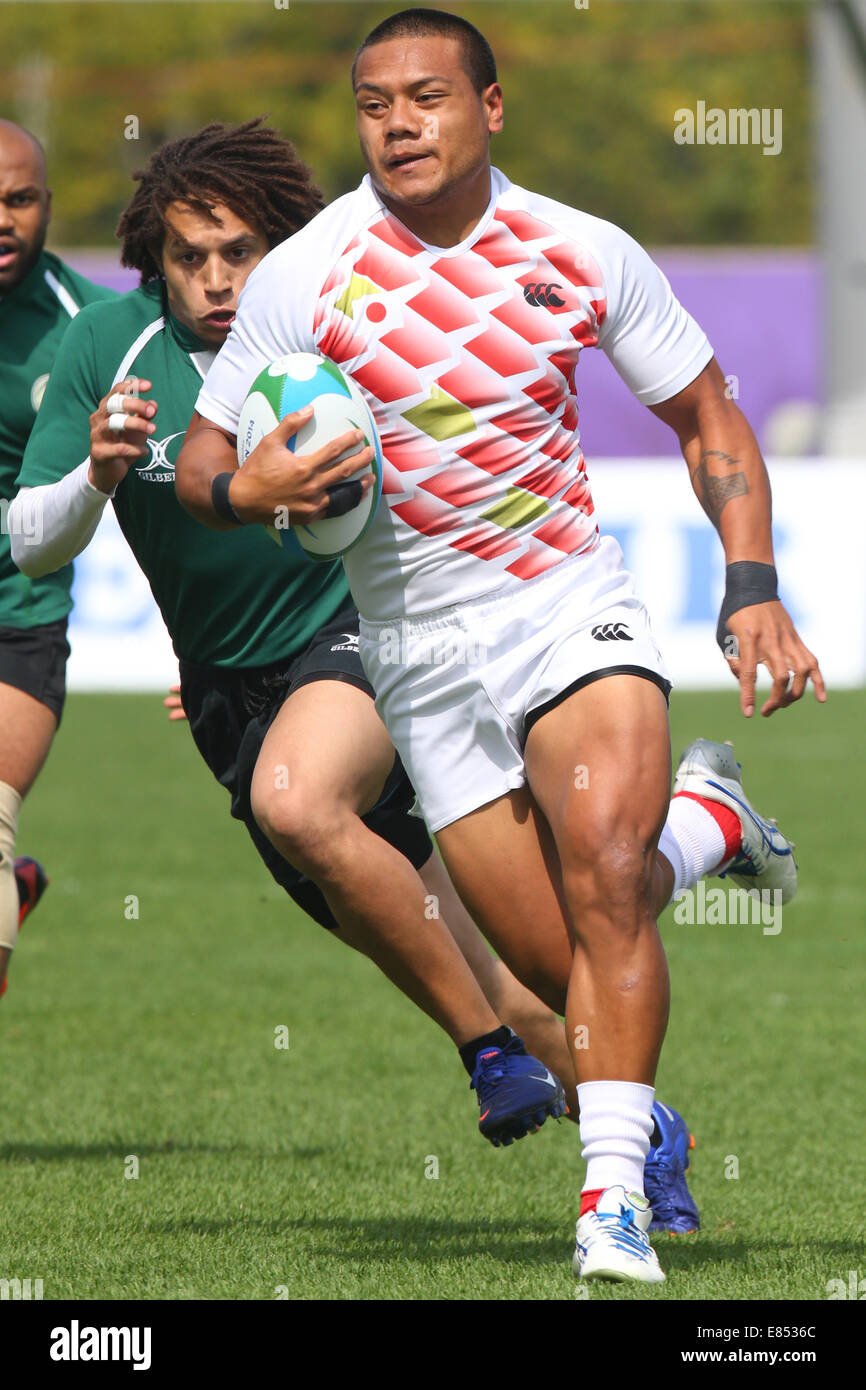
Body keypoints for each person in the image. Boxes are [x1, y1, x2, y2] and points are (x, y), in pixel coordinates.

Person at [12, 118, 751, 1234]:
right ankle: (649, 1055)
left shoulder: (337, 315)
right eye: (188, 257)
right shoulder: (105, 351)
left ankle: (485, 1055)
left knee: (297, 798)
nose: (217, 280)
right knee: (534, 976)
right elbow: (30, 541)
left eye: (240, 251)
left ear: (279, 245)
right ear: (151, 260)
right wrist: (98, 476)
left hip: (367, 644)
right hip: (227, 695)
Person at [176, 10, 822, 1283]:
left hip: (564, 603)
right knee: (556, 953)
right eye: (373, 104)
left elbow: (706, 415)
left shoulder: (580, 250)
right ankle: (708, 822)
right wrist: (247, 491)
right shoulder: (308, 273)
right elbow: (202, 460)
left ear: (490, 108)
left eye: (426, 96)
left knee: (603, 875)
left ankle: (609, 1208)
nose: (398, 123)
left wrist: (750, 584)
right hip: (415, 653)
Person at [0, 118, 116, 999]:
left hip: (19, 622)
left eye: (21, 199)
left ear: (48, 205)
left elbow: (164, 479)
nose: (3, 219)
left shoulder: (90, 327)